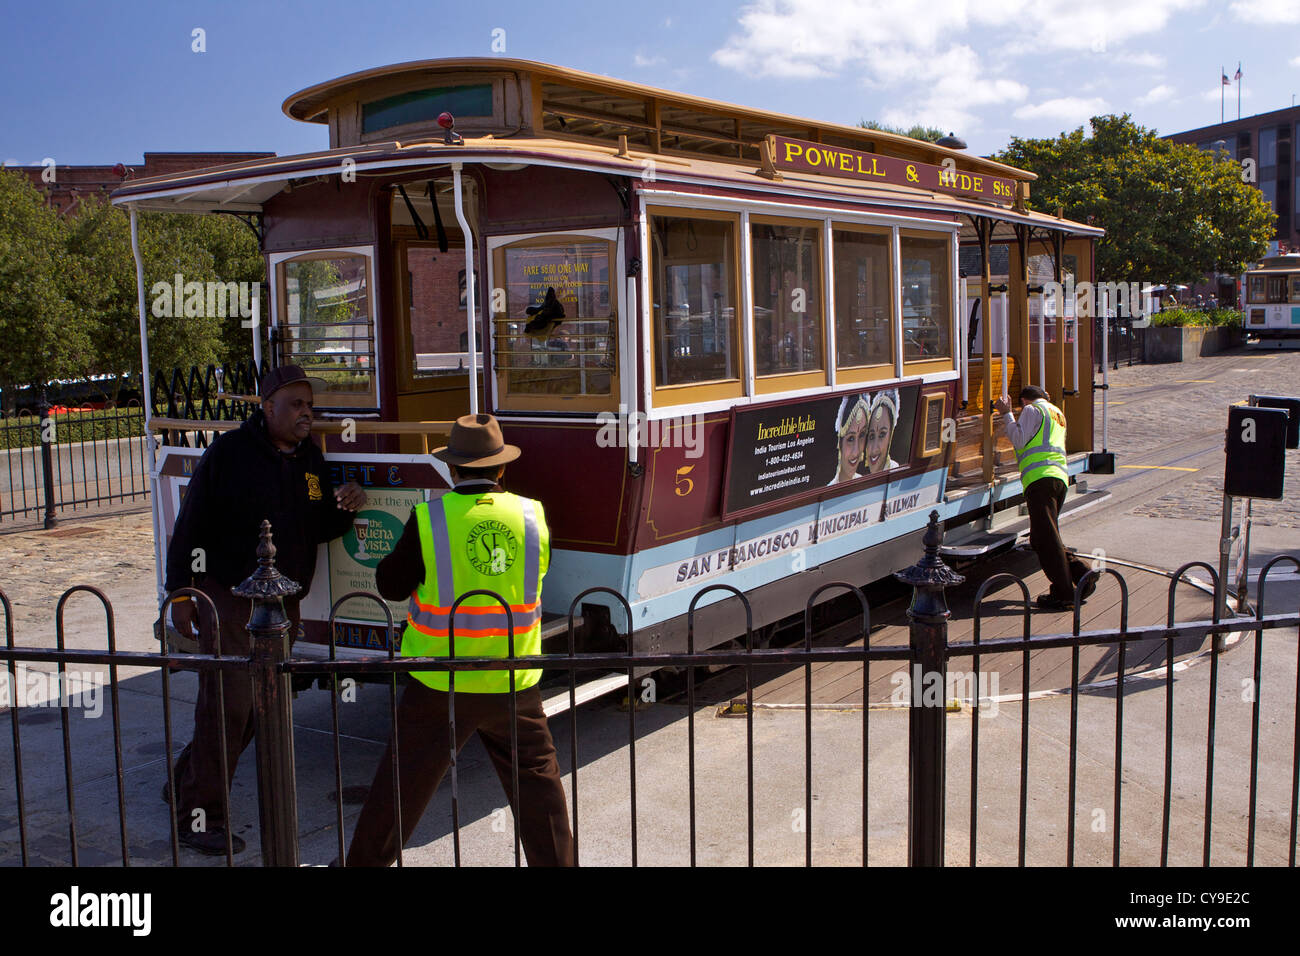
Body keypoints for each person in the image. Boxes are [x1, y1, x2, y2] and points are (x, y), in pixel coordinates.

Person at [346, 413, 575, 867]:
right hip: (512, 680)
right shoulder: (532, 515)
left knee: (401, 787)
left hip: (439, 683)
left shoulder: (428, 519)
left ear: (452, 469)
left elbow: (391, 585)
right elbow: (537, 577)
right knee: (539, 790)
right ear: (502, 468)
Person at [164, 364, 366, 854]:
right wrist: (183, 591)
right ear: (267, 407)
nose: (306, 414)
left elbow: (316, 526)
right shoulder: (230, 453)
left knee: (257, 709)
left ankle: (188, 784)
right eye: (296, 405)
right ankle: (200, 819)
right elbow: (192, 523)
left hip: (281, 607)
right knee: (227, 708)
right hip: (230, 598)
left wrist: (347, 506)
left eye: (310, 405)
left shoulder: (311, 462)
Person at [993, 386, 1092, 611]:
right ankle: (1082, 574)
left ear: (1025, 401)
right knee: (1041, 538)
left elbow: (1019, 440)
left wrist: (1006, 414)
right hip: (1059, 478)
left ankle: (1064, 594)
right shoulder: (1057, 413)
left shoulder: (1032, 410)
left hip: (1041, 479)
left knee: (1046, 539)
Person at [828, 393, 869, 485]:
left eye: (862, 435)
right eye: (850, 439)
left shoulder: (862, 482)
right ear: (840, 443)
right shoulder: (830, 488)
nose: (856, 452)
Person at [864, 388, 901, 473]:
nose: (874, 448)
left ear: (890, 437)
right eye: (872, 436)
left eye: (882, 435)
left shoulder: (895, 470)